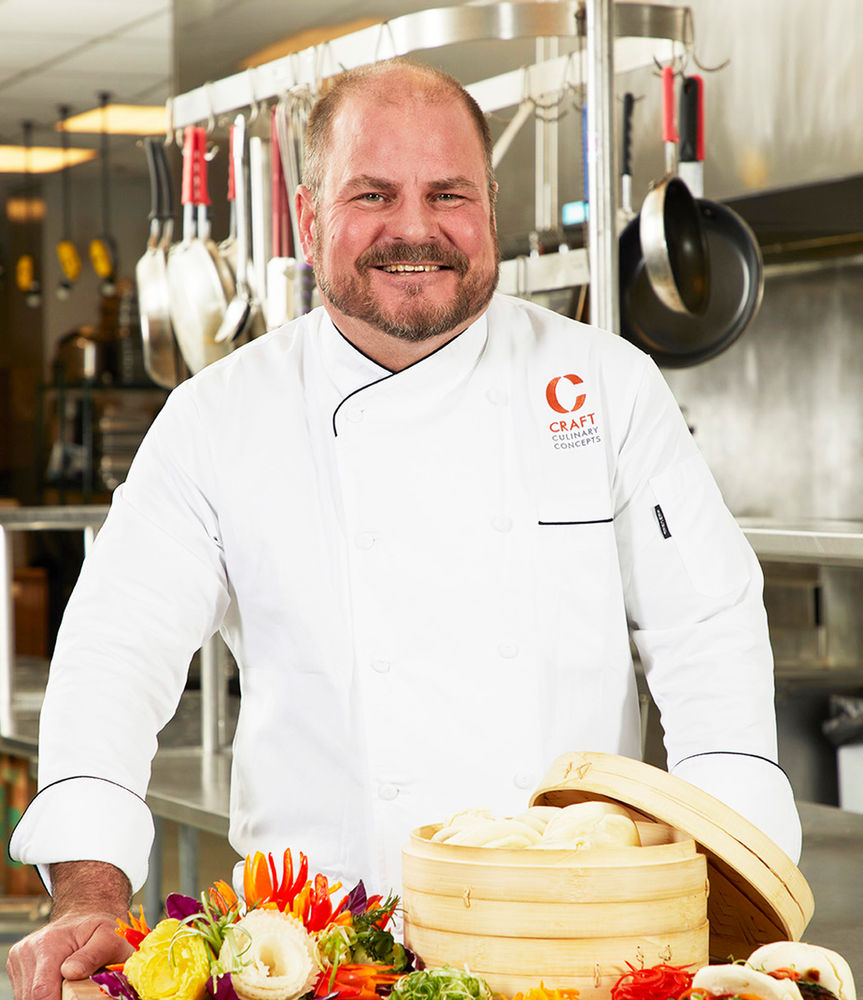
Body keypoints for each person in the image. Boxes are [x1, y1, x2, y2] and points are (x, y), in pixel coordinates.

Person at [8, 59, 800, 998]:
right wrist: (88, 890)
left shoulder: (605, 387)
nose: (415, 228)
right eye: (372, 193)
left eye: (448, 194)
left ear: (490, 207)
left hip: (572, 947)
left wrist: (743, 898)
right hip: (313, 954)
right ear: (309, 218)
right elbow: (115, 655)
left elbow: (708, 636)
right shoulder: (217, 419)